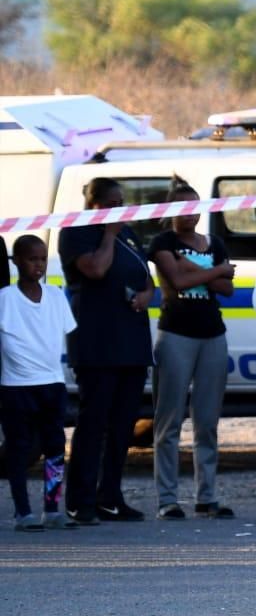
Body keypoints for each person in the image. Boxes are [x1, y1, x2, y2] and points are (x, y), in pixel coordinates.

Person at [58, 177, 154, 524]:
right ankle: (79, 500)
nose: (119, 209)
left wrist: (145, 295)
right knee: (93, 422)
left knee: (122, 425)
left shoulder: (128, 233)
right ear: (93, 204)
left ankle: (110, 497)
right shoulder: (76, 231)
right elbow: (96, 269)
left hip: (131, 342)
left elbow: (146, 276)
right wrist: (109, 233)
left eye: (122, 202)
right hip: (97, 342)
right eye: (112, 203)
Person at [148, 178, 236, 520]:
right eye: (182, 208)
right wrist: (215, 270)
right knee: (169, 420)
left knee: (207, 420)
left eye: (194, 208)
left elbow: (227, 288)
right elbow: (178, 280)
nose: (189, 214)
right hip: (176, 334)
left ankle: (207, 496)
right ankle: (167, 498)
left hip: (213, 333)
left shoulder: (214, 242)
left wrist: (192, 268)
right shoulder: (162, 242)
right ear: (170, 211)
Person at [0, 235, 76, 531]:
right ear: (17, 261)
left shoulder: (55, 296)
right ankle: (23, 511)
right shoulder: (5, 298)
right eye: (32, 259)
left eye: (43, 258)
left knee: (55, 445)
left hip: (52, 383)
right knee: (18, 448)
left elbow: (67, 331)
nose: (39, 265)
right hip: (16, 386)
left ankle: (52, 508)